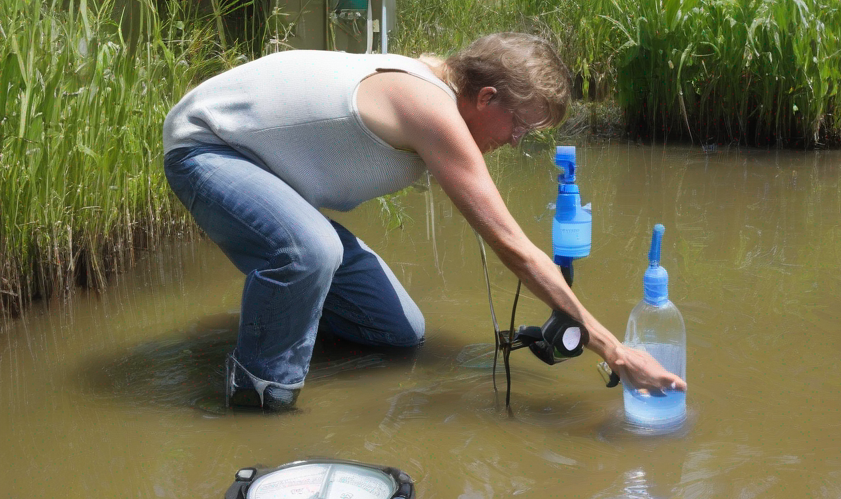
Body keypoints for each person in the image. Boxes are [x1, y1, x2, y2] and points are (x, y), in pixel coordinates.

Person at [163, 32, 685, 409]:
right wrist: (615, 350)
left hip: (271, 172)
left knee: (398, 332)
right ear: (485, 97)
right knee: (310, 252)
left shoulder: (437, 86)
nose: (515, 141)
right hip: (208, 147)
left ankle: (282, 320)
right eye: (520, 126)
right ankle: (260, 394)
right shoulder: (430, 106)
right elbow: (515, 248)